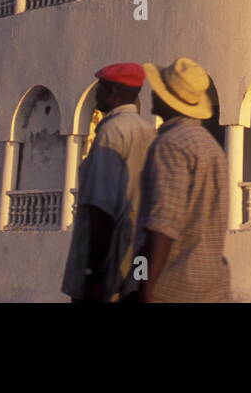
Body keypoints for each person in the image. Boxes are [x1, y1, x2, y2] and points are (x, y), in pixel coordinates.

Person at [134, 57, 231, 303]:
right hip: (211, 285)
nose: (154, 94)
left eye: (160, 90)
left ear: (169, 100)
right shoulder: (210, 145)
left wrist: (146, 289)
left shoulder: (171, 144)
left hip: (174, 286)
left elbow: (164, 224)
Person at [60, 62, 156, 303]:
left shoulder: (111, 131)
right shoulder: (148, 131)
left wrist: (93, 272)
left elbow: (100, 209)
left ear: (112, 92)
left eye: (99, 89)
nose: (96, 94)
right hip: (138, 252)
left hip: (109, 257)